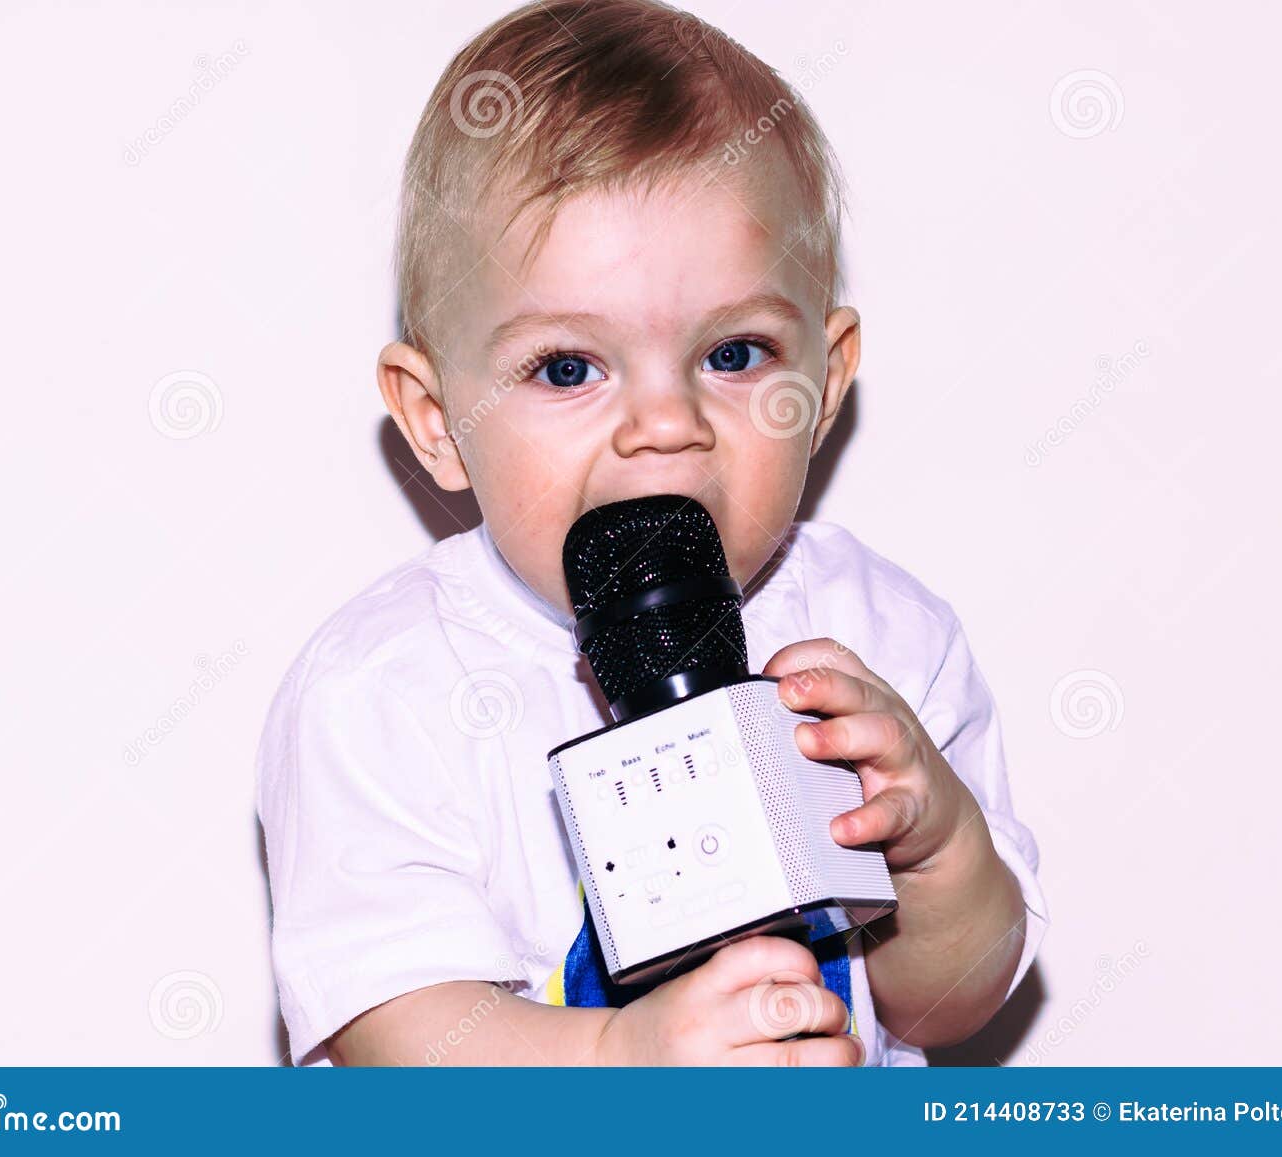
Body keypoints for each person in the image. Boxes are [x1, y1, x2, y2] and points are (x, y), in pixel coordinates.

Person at [255, 0, 1048, 1067]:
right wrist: (617, 1061)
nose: (666, 424)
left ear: (825, 380)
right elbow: (390, 1031)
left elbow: (951, 1002)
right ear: (438, 422)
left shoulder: (877, 636)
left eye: (734, 353)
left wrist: (937, 847)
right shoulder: (385, 688)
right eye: (568, 367)